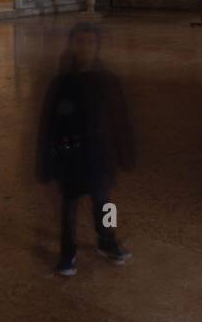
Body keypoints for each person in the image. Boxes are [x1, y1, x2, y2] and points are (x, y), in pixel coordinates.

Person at [36, 23, 135, 276]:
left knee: (103, 203)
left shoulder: (109, 81)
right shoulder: (60, 83)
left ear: (97, 46)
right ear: (72, 46)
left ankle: (106, 241)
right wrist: (46, 163)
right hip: (70, 156)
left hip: (99, 155)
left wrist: (125, 153)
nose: (85, 48)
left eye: (90, 43)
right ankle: (67, 253)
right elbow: (48, 125)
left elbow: (120, 119)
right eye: (80, 43)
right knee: (69, 209)